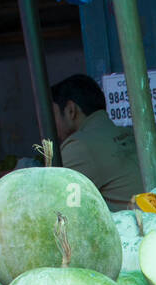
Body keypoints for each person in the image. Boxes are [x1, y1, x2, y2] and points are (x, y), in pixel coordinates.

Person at [50, 74, 144, 210]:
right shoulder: (128, 134)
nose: (53, 124)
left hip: (140, 228)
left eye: (54, 114)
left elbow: (52, 205)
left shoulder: (80, 147)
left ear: (71, 110)